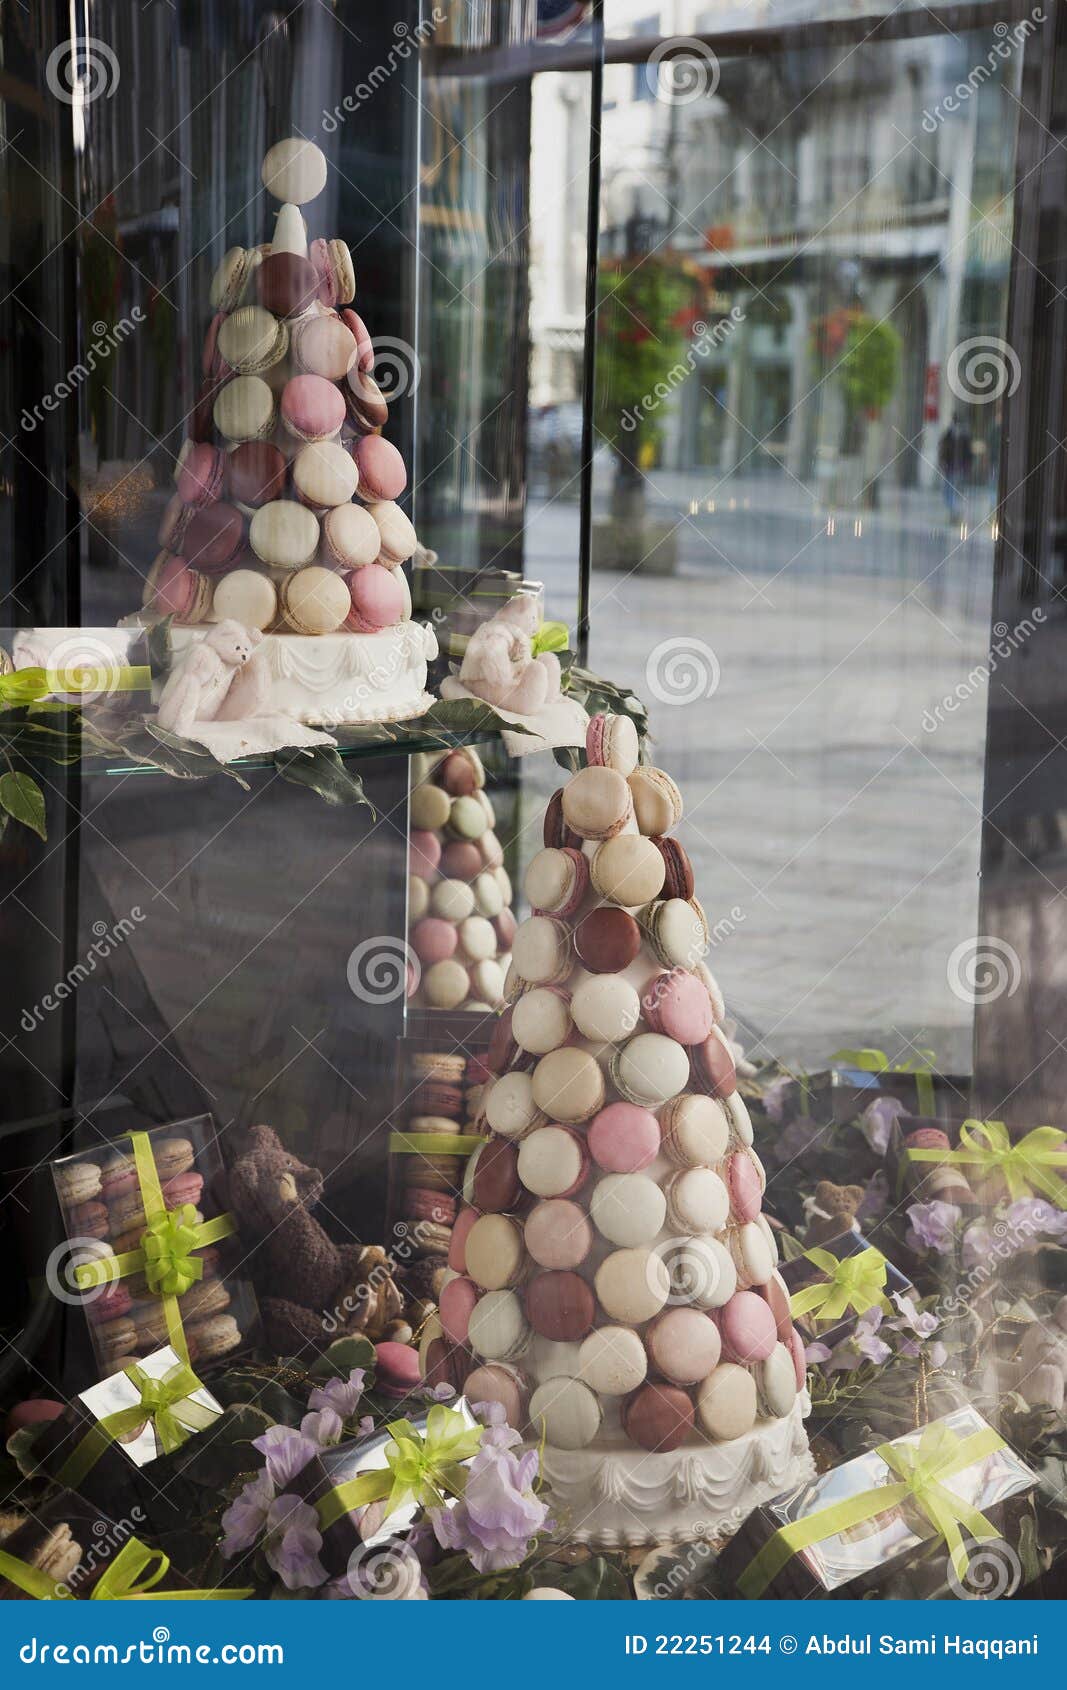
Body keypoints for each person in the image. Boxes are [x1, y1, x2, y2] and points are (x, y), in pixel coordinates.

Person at [938, 414, 973, 519]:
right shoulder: (949, 435)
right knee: (950, 489)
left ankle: (954, 510)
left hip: (956, 467)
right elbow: (943, 449)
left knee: (952, 489)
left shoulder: (961, 436)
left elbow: (967, 453)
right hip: (951, 467)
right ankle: (953, 510)